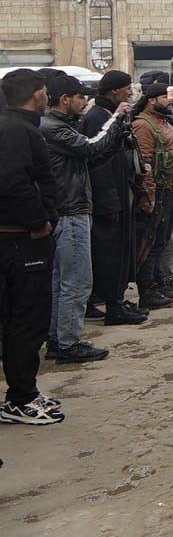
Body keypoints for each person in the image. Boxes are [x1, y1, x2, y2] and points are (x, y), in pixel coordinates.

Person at [37, 72, 131, 363]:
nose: (84, 102)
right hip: (70, 210)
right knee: (76, 281)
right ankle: (68, 342)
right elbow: (91, 147)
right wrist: (116, 120)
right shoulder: (54, 128)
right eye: (80, 97)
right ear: (64, 99)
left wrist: (116, 138)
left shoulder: (57, 126)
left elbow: (91, 157)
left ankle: (58, 339)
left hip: (69, 209)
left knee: (62, 281)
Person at [0, 69, 64, 427]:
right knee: (27, 320)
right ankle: (20, 399)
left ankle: (24, 391)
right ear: (38, 94)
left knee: (22, 321)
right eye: (45, 91)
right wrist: (39, 221)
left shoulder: (19, 126)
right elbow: (12, 182)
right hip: (21, 240)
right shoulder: (16, 130)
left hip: (18, 237)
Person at [80, 71, 145, 324]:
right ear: (114, 90)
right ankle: (112, 305)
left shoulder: (108, 114)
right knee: (109, 253)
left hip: (119, 191)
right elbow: (98, 163)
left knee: (119, 251)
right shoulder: (97, 117)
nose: (130, 92)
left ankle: (114, 300)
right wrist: (109, 201)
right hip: (108, 198)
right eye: (127, 87)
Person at [130, 75, 173, 310]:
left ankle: (159, 284)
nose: (169, 101)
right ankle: (147, 290)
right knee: (151, 243)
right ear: (151, 100)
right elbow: (144, 164)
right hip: (157, 194)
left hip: (171, 191)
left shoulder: (165, 121)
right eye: (164, 97)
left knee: (162, 241)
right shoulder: (143, 125)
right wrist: (150, 196)